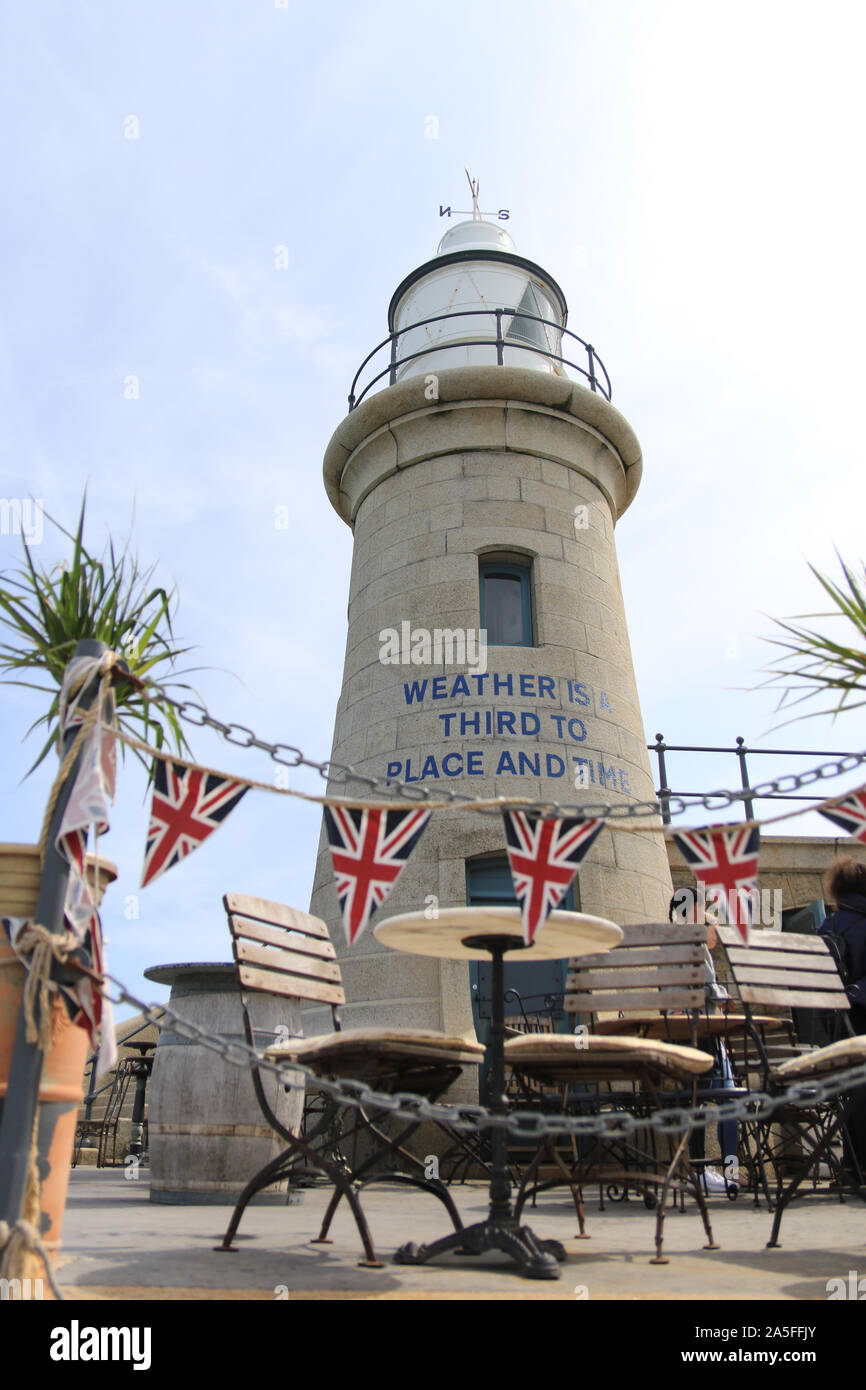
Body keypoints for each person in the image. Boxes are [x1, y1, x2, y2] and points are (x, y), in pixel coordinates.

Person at [669, 889, 740, 1195]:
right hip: (703, 1035)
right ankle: (720, 1169)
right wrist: (727, 997)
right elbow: (708, 990)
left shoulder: (666, 944)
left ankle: (698, 1168)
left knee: (692, 1096)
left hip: (674, 1039)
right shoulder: (695, 940)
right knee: (727, 1094)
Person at [817, 855, 866, 1177]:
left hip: (834, 1031)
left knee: (853, 1088)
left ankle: (852, 1164)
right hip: (861, 1019)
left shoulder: (826, 926)